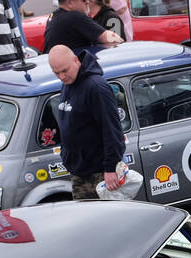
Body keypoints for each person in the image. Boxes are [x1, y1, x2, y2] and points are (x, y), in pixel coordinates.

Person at [49, 45, 127, 201]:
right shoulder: (68, 83)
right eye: (57, 73)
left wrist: (110, 168)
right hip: (80, 171)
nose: (62, 77)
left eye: (65, 70)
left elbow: (112, 130)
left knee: (108, 221)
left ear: (76, 61)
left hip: (100, 173)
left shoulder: (96, 87)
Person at [43, 0, 124, 52]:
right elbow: (115, 40)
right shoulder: (75, 17)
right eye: (83, 0)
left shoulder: (53, 16)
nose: (87, 2)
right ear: (70, 2)